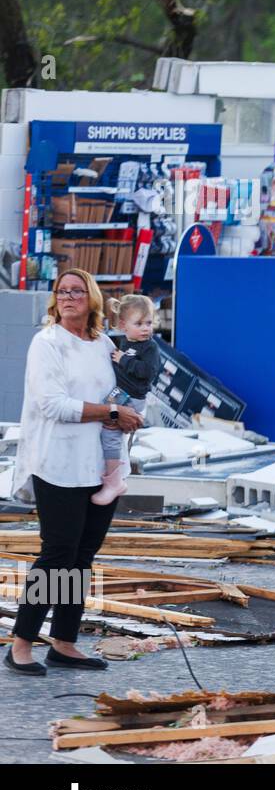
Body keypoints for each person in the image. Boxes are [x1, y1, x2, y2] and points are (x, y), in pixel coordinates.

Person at [4, 269, 144, 677]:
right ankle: (21, 643)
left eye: (77, 291)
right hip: (59, 463)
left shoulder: (102, 343)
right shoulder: (47, 343)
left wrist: (124, 414)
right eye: (62, 291)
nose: (68, 297)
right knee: (56, 554)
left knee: (81, 557)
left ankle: (64, 642)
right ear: (55, 300)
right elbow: (53, 404)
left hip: (100, 465)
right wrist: (112, 412)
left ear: (92, 298)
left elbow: (118, 393)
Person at [92, 294, 161, 505]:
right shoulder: (124, 342)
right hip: (120, 393)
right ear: (123, 325)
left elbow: (148, 372)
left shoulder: (150, 347)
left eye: (148, 323)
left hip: (132, 397)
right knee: (100, 417)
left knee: (111, 430)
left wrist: (124, 360)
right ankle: (108, 469)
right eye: (139, 323)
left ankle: (114, 480)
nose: (145, 328)